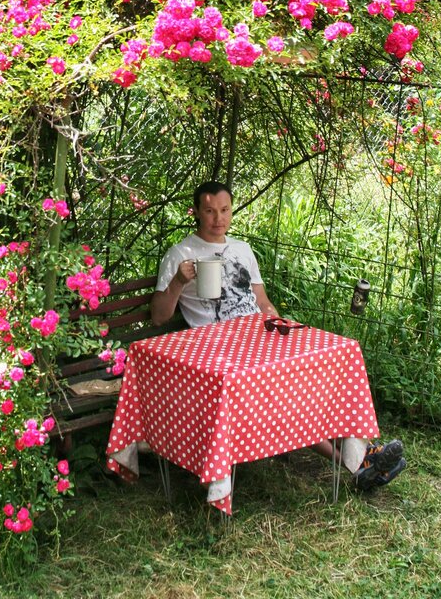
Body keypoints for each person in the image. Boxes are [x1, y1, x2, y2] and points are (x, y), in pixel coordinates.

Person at [151, 180, 406, 491]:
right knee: (287, 395)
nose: (218, 219)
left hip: (259, 338)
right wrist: (179, 281)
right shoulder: (181, 253)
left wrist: (272, 317)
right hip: (218, 348)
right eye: (209, 211)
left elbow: (262, 301)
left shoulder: (243, 250)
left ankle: (362, 459)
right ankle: (361, 463)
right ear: (196, 213)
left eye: (224, 210)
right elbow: (159, 316)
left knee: (331, 363)